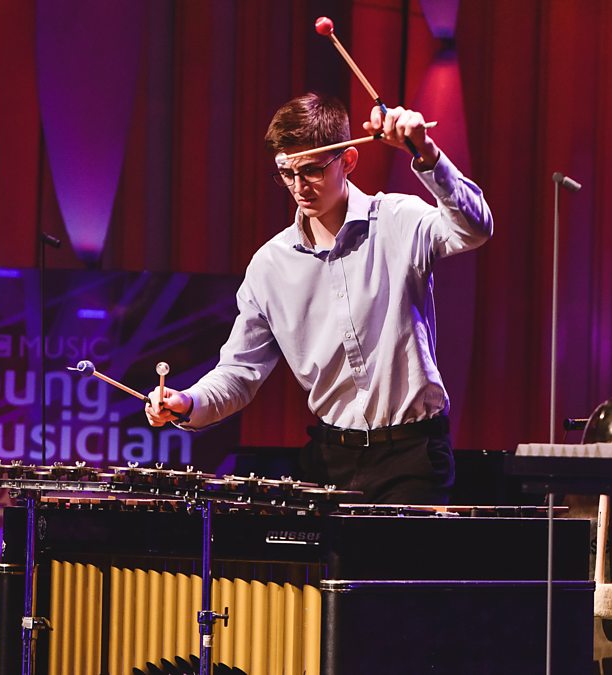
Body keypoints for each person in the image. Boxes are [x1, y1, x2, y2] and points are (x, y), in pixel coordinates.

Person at [145, 92, 492, 504]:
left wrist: (428, 156)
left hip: (413, 456)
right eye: (286, 174)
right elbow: (239, 372)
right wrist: (187, 401)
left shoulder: (399, 220)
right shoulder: (269, 266)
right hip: (332, 461)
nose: (297, 187)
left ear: (348, 160)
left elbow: (474, 228)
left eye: (310, 171)